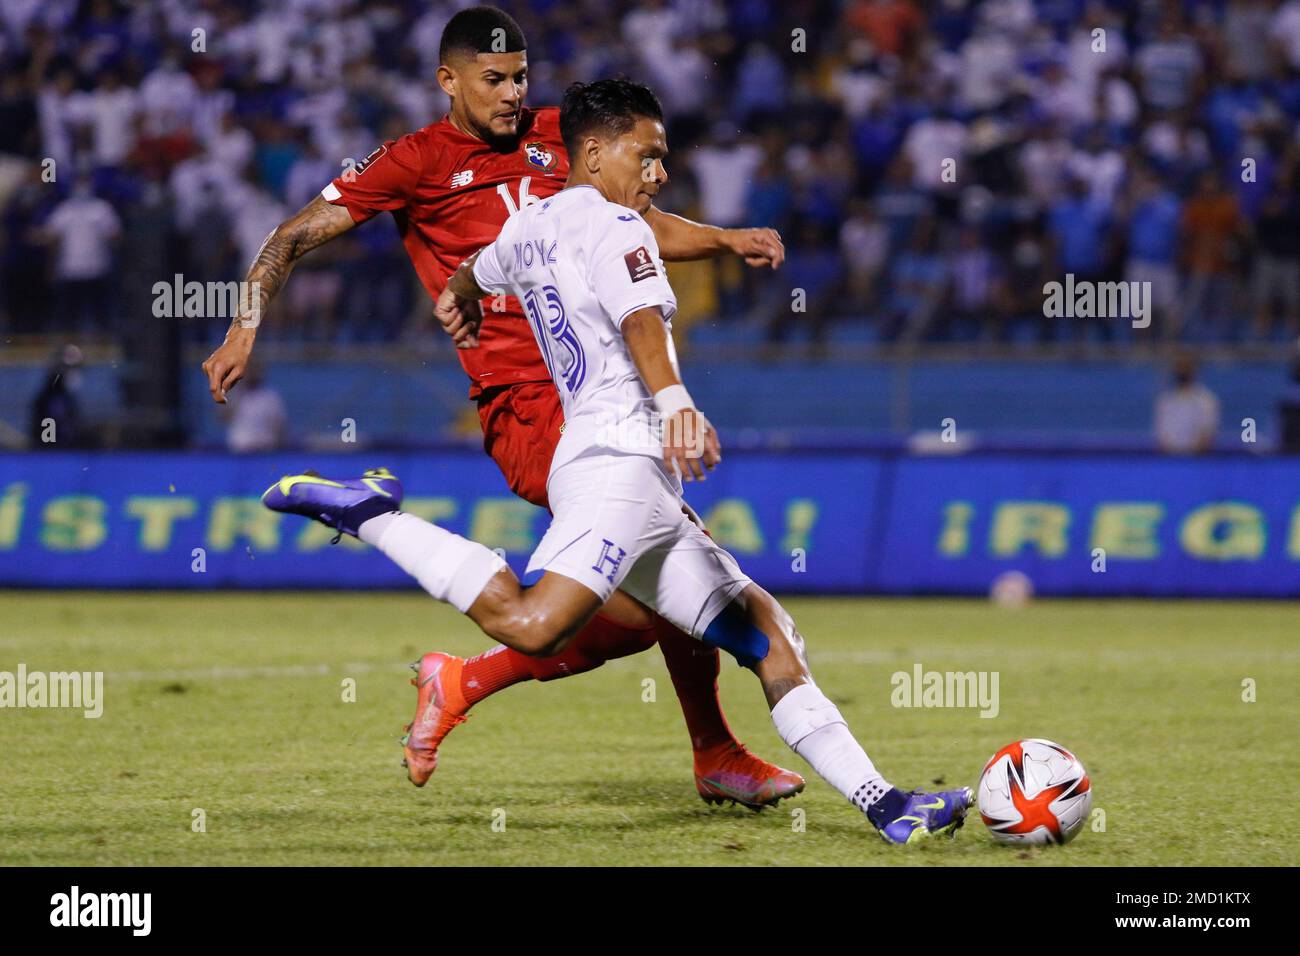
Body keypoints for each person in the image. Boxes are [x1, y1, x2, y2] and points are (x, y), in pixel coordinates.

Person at [264, 78, 973, 845]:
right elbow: (641, 321)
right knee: (535, 626)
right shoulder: (620, 229)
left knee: (767, 632)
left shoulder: (532, 225)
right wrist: (678, 409)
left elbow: (477, 271)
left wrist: (462, 295)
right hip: (616, 458)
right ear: (596, 152)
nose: (659, 173)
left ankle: (888, 805)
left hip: (623, 472)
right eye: (649, 154)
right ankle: (373, 515)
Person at [200, 6, 799, 808]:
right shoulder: (414, 162)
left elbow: (635, 225)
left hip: (596, 389)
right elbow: (291, 236)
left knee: (655, 601)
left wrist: (723, 238)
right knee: (682, 572)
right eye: (493, 80)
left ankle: (477, 683)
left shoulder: (563, 136)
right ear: (448, 81)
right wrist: (245, 326)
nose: (513, 93)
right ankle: (708, 750)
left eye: (520, 76)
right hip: (528, 409)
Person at [1154, 354, 1220, 454]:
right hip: (1169, 459)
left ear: (1192, 372)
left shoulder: (1205, 400)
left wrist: (1191, 454)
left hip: (1197, 460)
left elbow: (1207, 433)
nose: (1182, 372)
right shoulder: (1166, 400)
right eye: (1179, 369)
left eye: (1185, 369)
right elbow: (1161, 435)